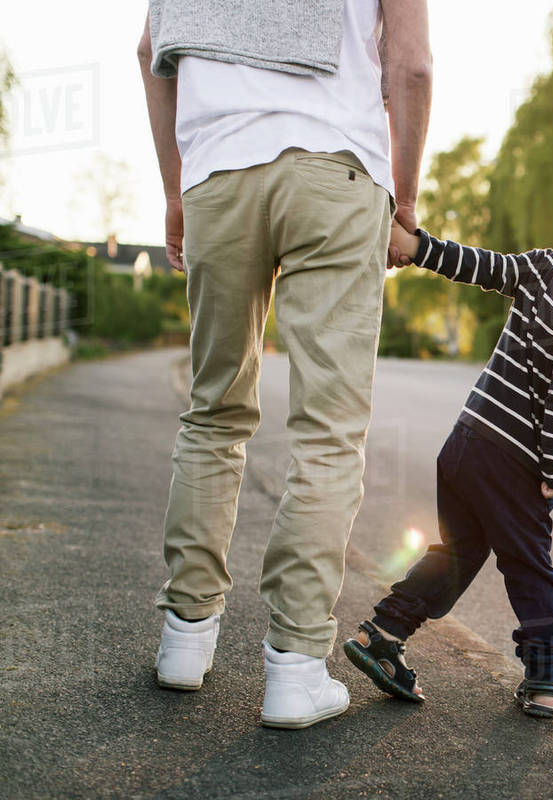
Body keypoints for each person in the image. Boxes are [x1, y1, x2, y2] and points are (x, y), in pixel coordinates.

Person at [138, 0, 432, 729]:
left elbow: (151, 49)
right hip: (335, 169)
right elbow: (412, 63)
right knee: (328, 432)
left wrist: (176, 192)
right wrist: (405, 198)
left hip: (216, 179)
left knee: (214, 411)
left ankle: (185, 638)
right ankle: (296, 670)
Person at [343, 169, 553, 719]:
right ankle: (544, 679)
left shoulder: (542, 266)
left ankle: (384, 632)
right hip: (511, 460)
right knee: (531, 565)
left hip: (465, 444)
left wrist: (418, 248)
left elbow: (479, 266)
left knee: (460, 550)